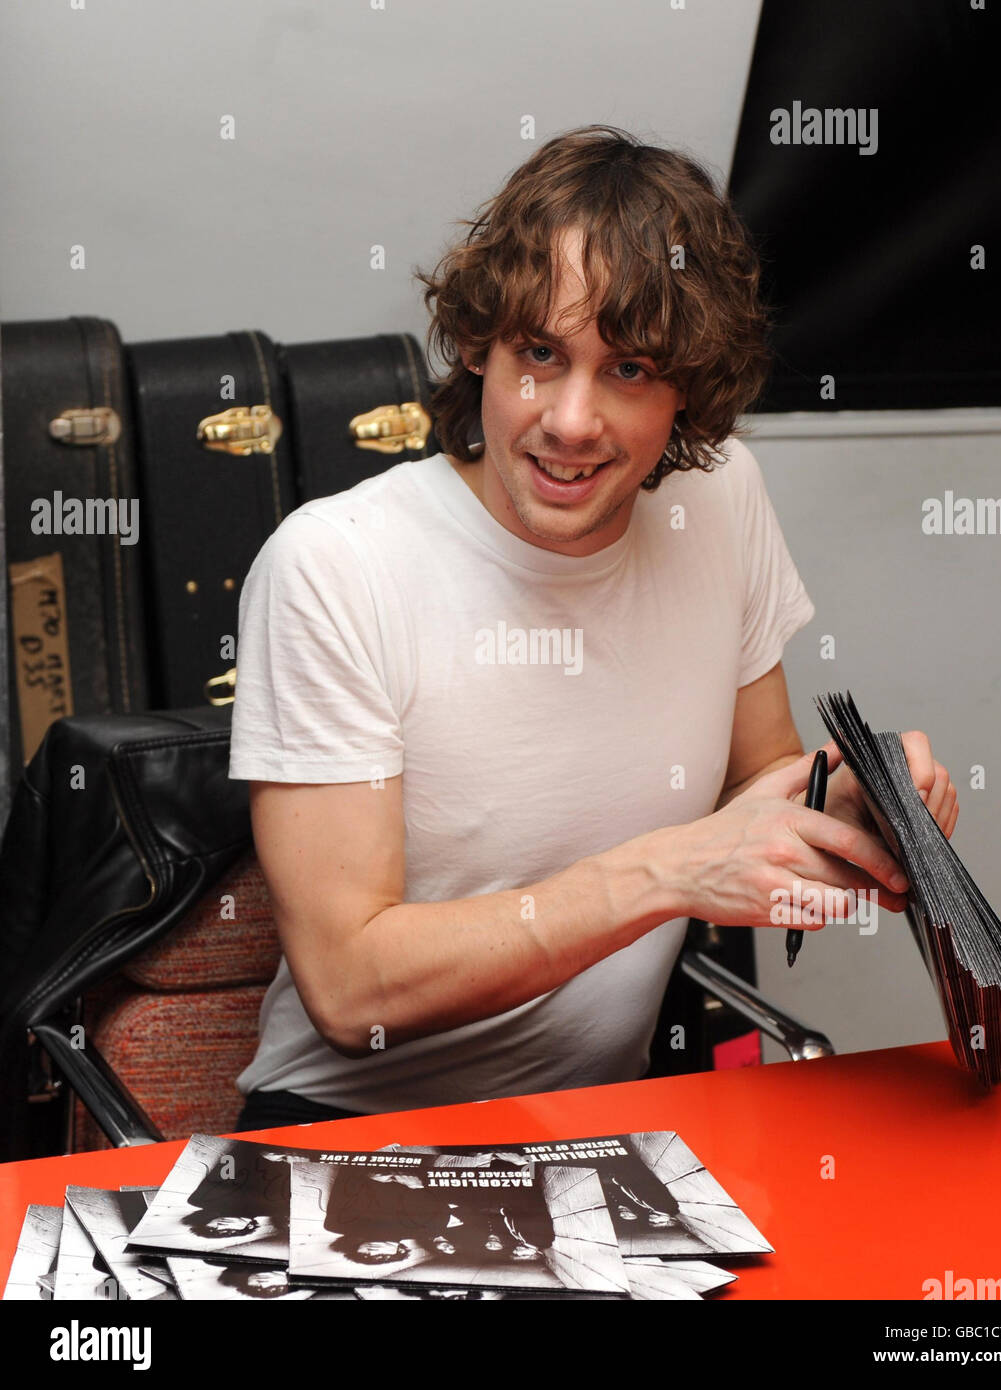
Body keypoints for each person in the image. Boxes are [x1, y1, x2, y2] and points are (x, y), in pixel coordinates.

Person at [228, 124, 958, 1129]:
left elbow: (756, 784)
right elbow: (351, 990)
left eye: (629, 371)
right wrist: (664, 870)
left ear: (685, 397)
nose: (569, 420)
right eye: (539, 352)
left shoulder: (721, 500)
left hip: (608, 1130)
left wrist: (855, 818)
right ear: (479, 344)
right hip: (348, 1139)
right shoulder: (333, 567)